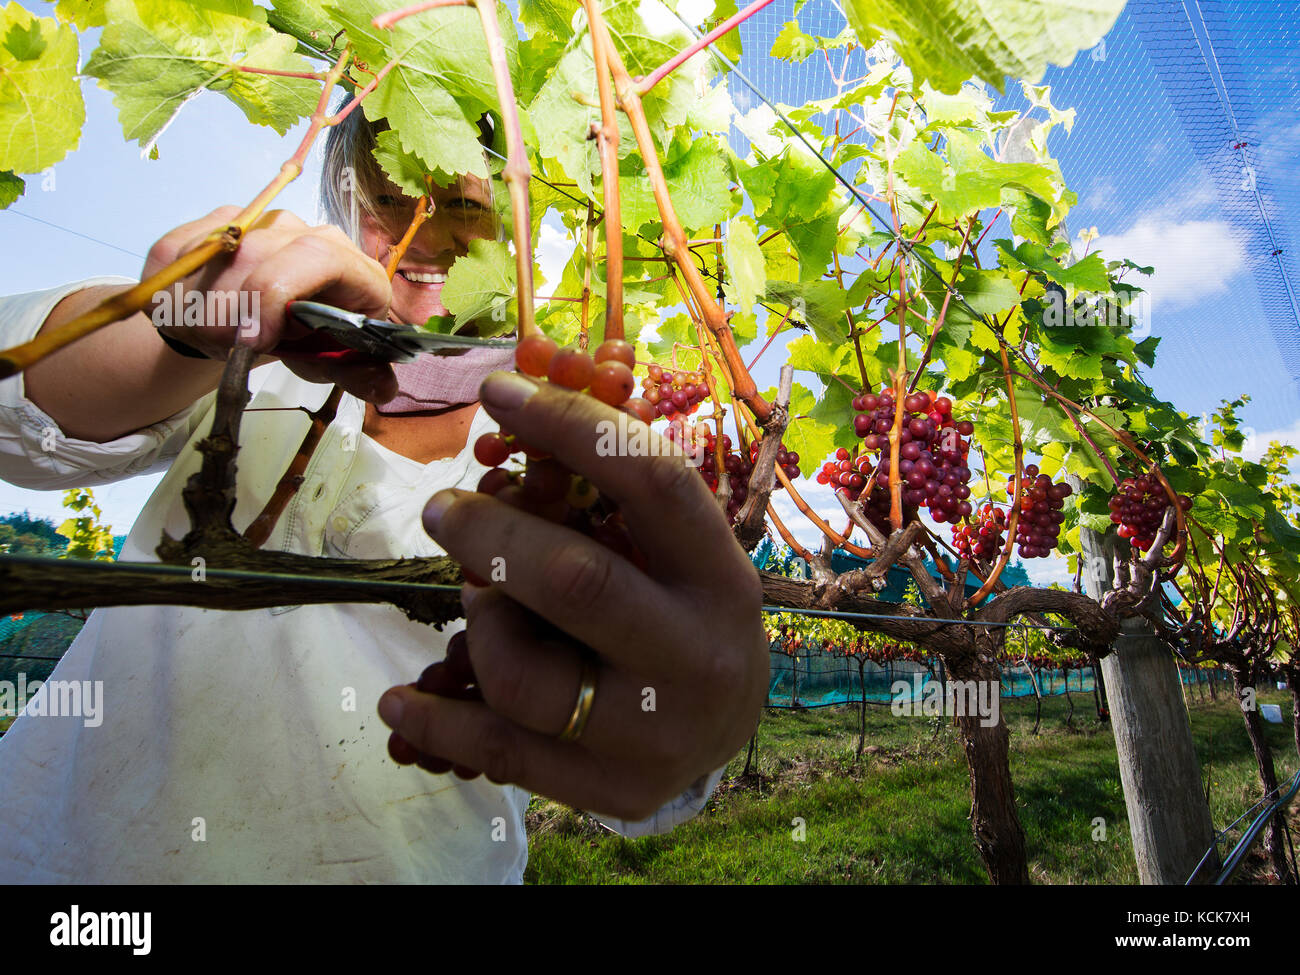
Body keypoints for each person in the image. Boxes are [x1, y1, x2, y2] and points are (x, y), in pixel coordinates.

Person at [0, 107, 769, 882]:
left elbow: (644, 779)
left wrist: (686, 729)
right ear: (347, 209)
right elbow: (19, 417)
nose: (425, 228)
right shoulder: (257, 356)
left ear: (522, 217)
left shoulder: (551, 461)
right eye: (392, 194)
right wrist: (185, 332)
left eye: (465, 204)